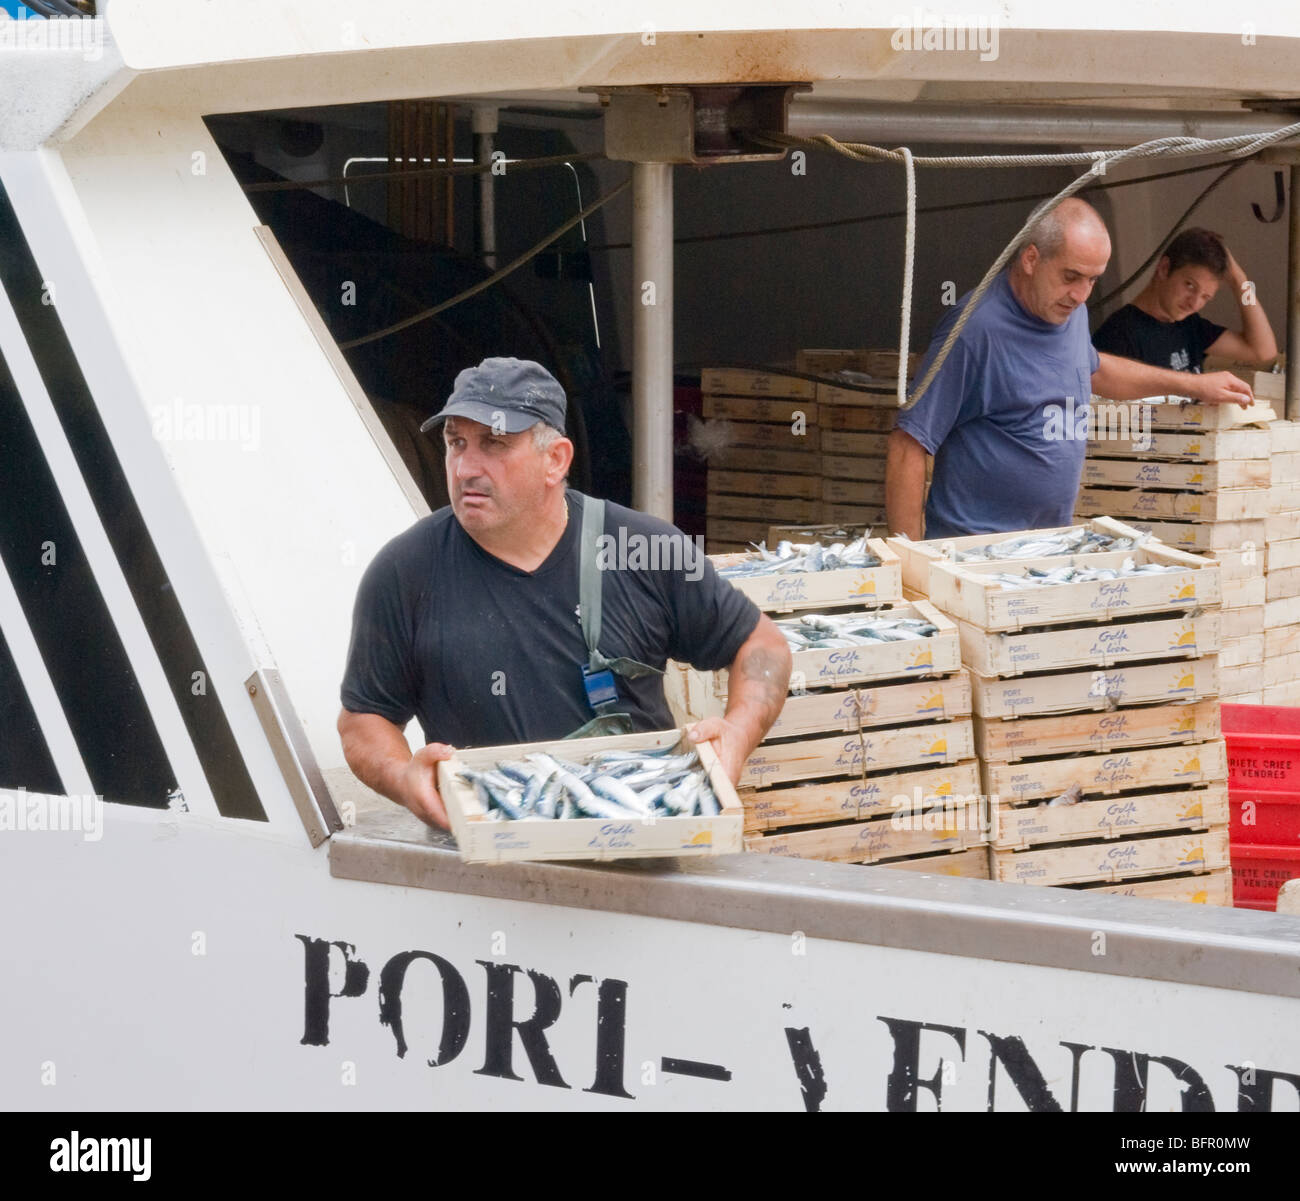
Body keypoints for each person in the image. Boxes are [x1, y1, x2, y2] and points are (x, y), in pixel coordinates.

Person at [337, 357, 792, 829]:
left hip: (643, 855)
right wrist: (402, 775)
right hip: (481, 866)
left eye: (494, 443)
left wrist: (736, 736)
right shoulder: (405, 571)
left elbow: (763, 646)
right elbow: (363, 720)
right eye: (456, 443)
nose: (466, 467)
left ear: (555, 460)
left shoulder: (643, 549)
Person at [885, 198, 1255, 541]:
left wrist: (1194, 385)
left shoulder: (1069, 312)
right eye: (1071, 276)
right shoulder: (973, 330)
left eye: (1093, 280)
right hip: (973, 549)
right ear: (1031, 259)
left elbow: (1094, 370)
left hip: (1048, 547)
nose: (1081, 295)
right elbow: (908, 445)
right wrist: (913, 566)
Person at [1092, 227, 1278, 372]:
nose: (1194, 304)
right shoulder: (1118, 334)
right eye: (1190, 285)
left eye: (1206, 297)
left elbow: (1263, 352)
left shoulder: (1190, 326)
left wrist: (1240, 281)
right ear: (1164, 268)